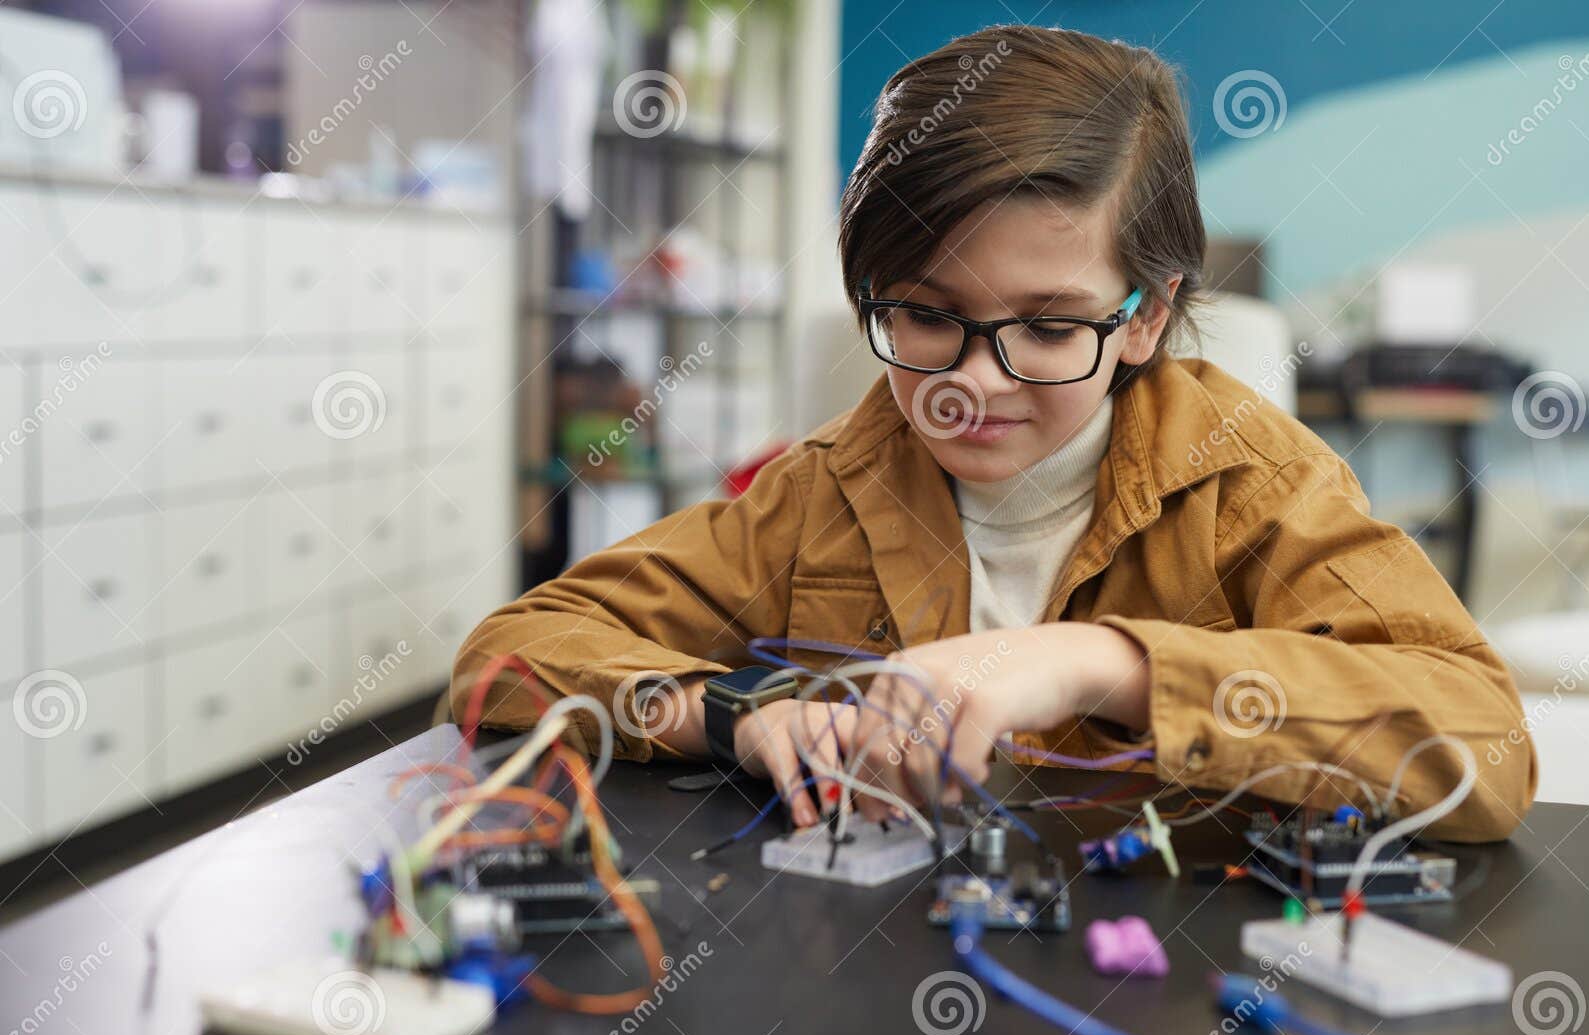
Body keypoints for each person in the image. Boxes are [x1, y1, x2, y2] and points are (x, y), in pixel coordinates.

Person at [454, 25, 1532, 842]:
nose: (972, 384)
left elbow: (1482, 745)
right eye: (925, 315)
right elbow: (510, 654)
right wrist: (730, 711)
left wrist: (1099, 661)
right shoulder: (824, 489)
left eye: (1051, 326)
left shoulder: (1250, 484)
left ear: (1145, 315)